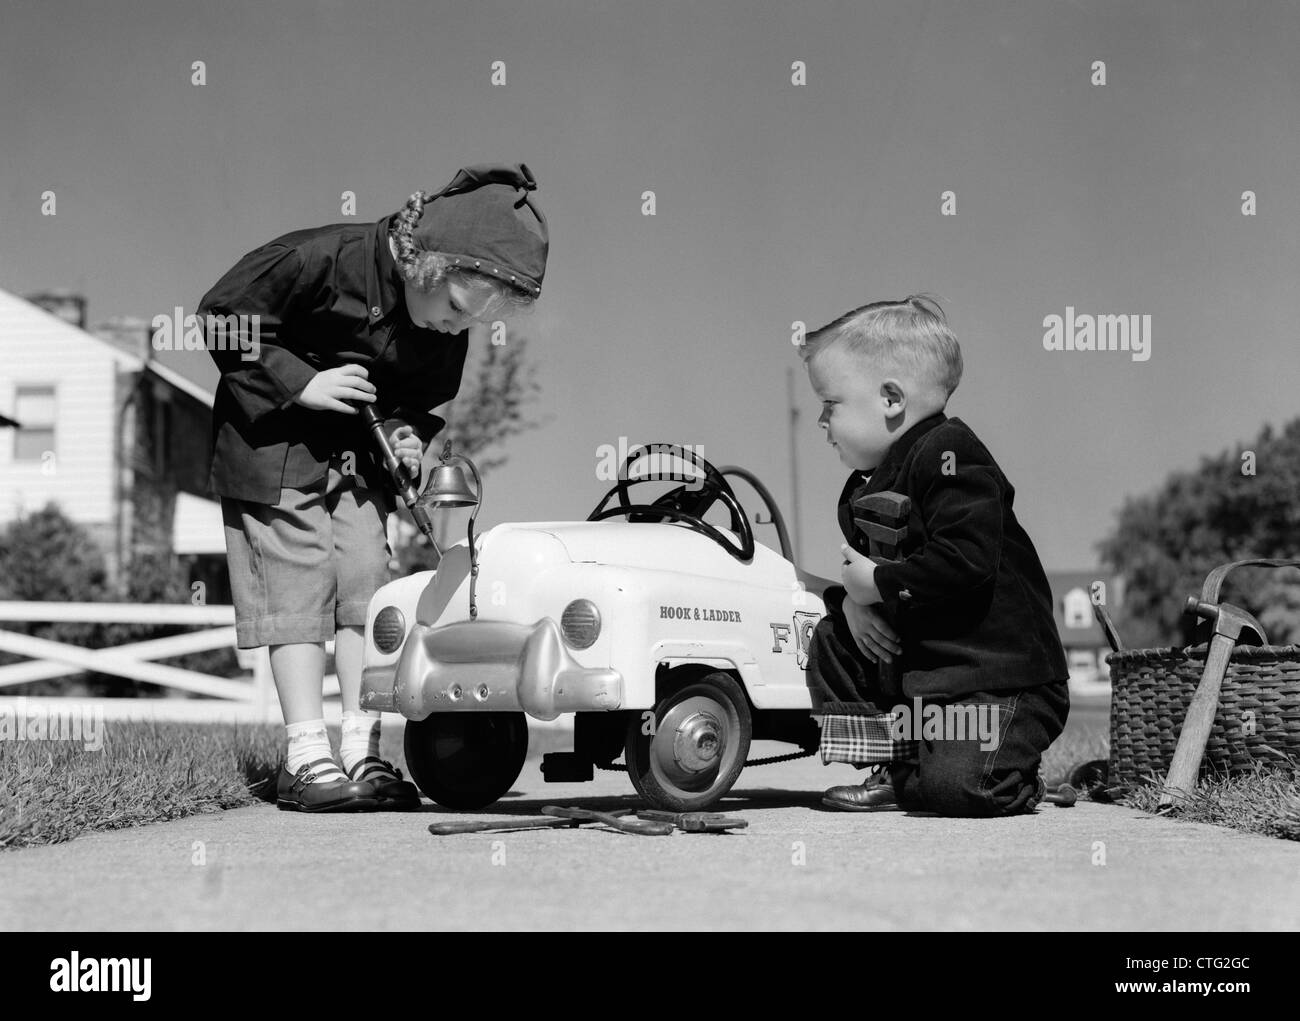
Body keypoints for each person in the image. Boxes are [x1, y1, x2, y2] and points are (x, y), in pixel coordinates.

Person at [199, 164, 548, 811]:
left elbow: (422, 402)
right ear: (424, 263)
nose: (452, 328)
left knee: (367, 581)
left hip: (356, 458)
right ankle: (306, 758)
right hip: (272, 446)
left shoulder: (444, 329)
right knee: (297, 580)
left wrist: (409, 436)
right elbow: (222, 316)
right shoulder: (320, 260)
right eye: (451, 309)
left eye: (465, 321)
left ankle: (364, 751)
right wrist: (301, 383)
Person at [798, 295, 1069, 816]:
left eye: (830, 404)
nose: (821, 421)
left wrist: (877, 584)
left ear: (892, 398)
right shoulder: (863, 489)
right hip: (929, 682)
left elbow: (966, 560)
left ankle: (1011, 775)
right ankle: (895, 764)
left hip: (997, 682)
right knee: (833, 636)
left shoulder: (950, 455)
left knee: (956, 791)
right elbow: (866, 580)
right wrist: (856, 605)